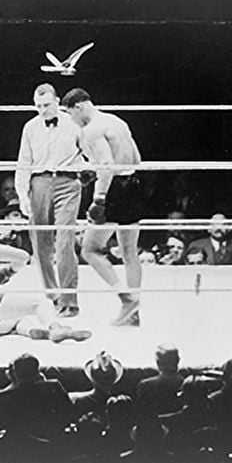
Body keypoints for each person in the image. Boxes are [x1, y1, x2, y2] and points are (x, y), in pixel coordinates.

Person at [63, 88, 145, 326]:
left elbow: (107, 164)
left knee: (90, 250)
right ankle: (134, 313)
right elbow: (136, 159)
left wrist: (99, 199)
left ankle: (126, 298)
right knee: (129, 252)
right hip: (134, 184)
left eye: (70, 114)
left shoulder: (90, 130)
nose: (71, 120)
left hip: (113, 190)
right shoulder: (116, 121)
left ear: (79, 107)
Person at [14, 84, 84, 318]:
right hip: (39, 183)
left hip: (67, 182)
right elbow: (23, 161)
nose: (42, 110)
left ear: (57, 101)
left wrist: (85, 171)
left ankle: (69, 300)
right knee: (41, 244)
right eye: (38, 106)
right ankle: (53, 296)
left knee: (65, 243)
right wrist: (22, 194)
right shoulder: (30, 127)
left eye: (46, 105)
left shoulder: (74, 123)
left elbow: (90, 151)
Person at [0, 235, 91, 343]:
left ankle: (31, 331)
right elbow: (23, 256)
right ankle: (55, 328)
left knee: (16, 319)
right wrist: (9, 271)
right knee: (39, 303)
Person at [135, 343, 185, 418]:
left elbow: (141, 416)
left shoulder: (146, 385)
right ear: (178, 360)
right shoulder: (187, 384)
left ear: (158, 362)